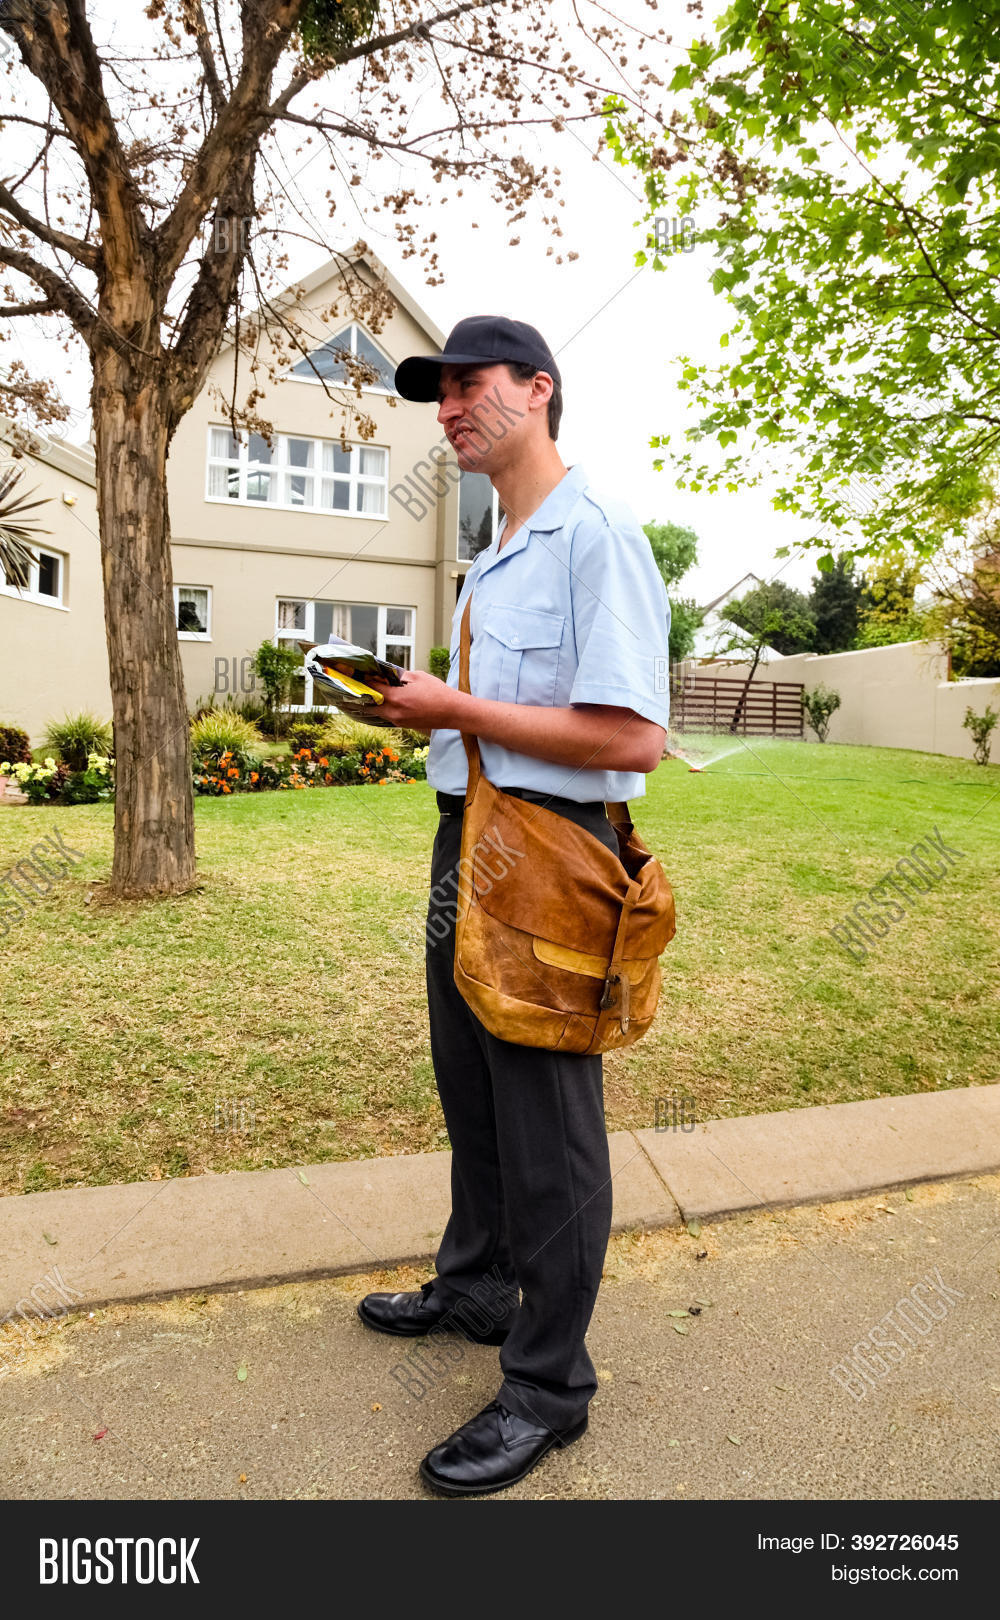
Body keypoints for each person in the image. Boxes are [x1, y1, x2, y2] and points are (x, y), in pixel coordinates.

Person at [355, 315, 671, 1496]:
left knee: (548, 1124)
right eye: (436, 395)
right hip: (471, 841)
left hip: (551, 855)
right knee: (473, 1089)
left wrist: (458, 712)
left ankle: (549, 1386)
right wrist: (422, 712)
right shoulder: (495, 545)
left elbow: (634, 733)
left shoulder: (597, 535)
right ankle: (480, 1285)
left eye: (468, 387)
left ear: (537, 391)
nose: (447, 410)